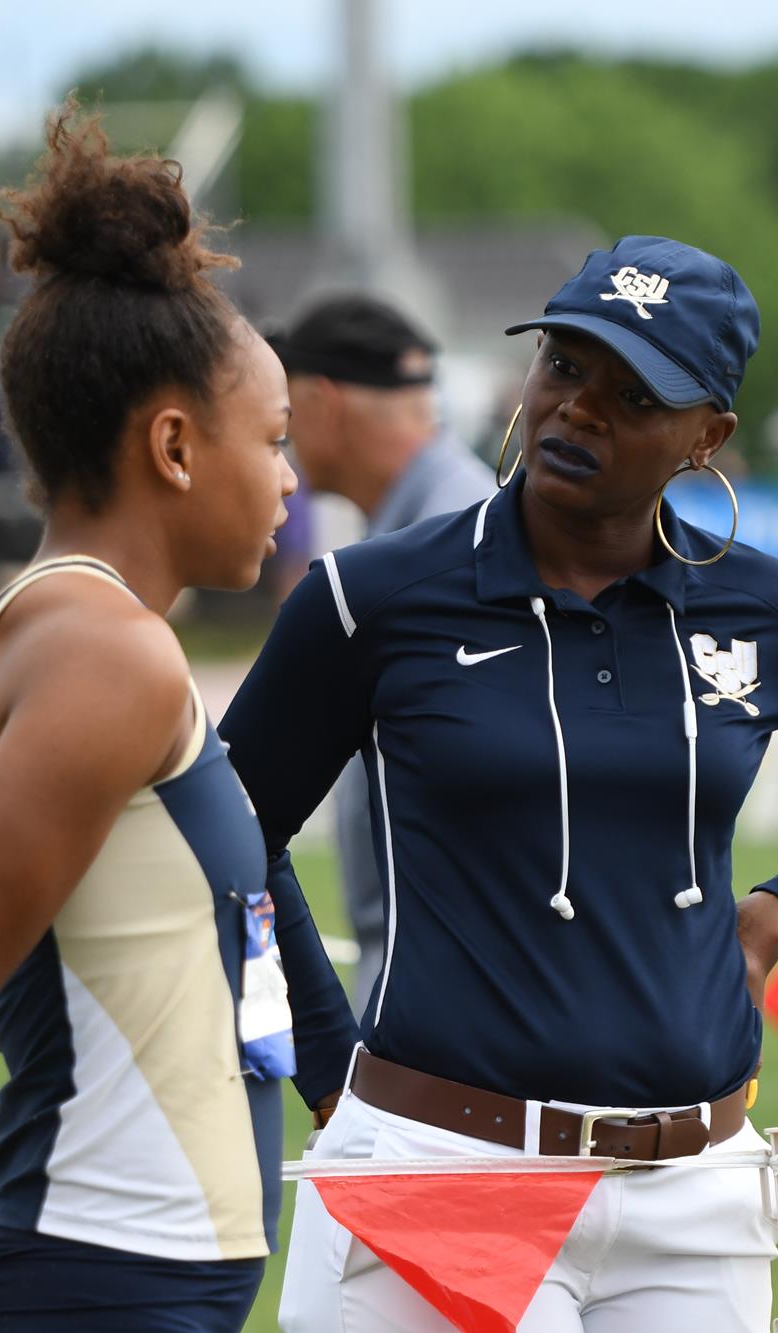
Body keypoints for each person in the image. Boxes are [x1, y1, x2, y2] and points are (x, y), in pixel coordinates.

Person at [222, 235, 778, 1331]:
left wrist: (773, 919)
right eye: (565, 366)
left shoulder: (775, 611)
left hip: (693, 1190)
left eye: (634, 395)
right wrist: (325, 1065)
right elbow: (227, 828)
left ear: (707, 436)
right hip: (442, 1173)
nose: (579, 410)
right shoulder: (370, 596)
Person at [0, 104, 357, 1333]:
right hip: (92, 1294)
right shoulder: (110, 660)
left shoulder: (59, 636)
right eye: (272, 441)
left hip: (104, 1289)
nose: (289, 480)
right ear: (173, 445)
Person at [269, 295, 496, 1015]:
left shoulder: (441, 548)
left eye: (283, 410)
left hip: (446, 993)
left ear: (323, 402)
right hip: (441, 973)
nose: (279, 436)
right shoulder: (449, 525)